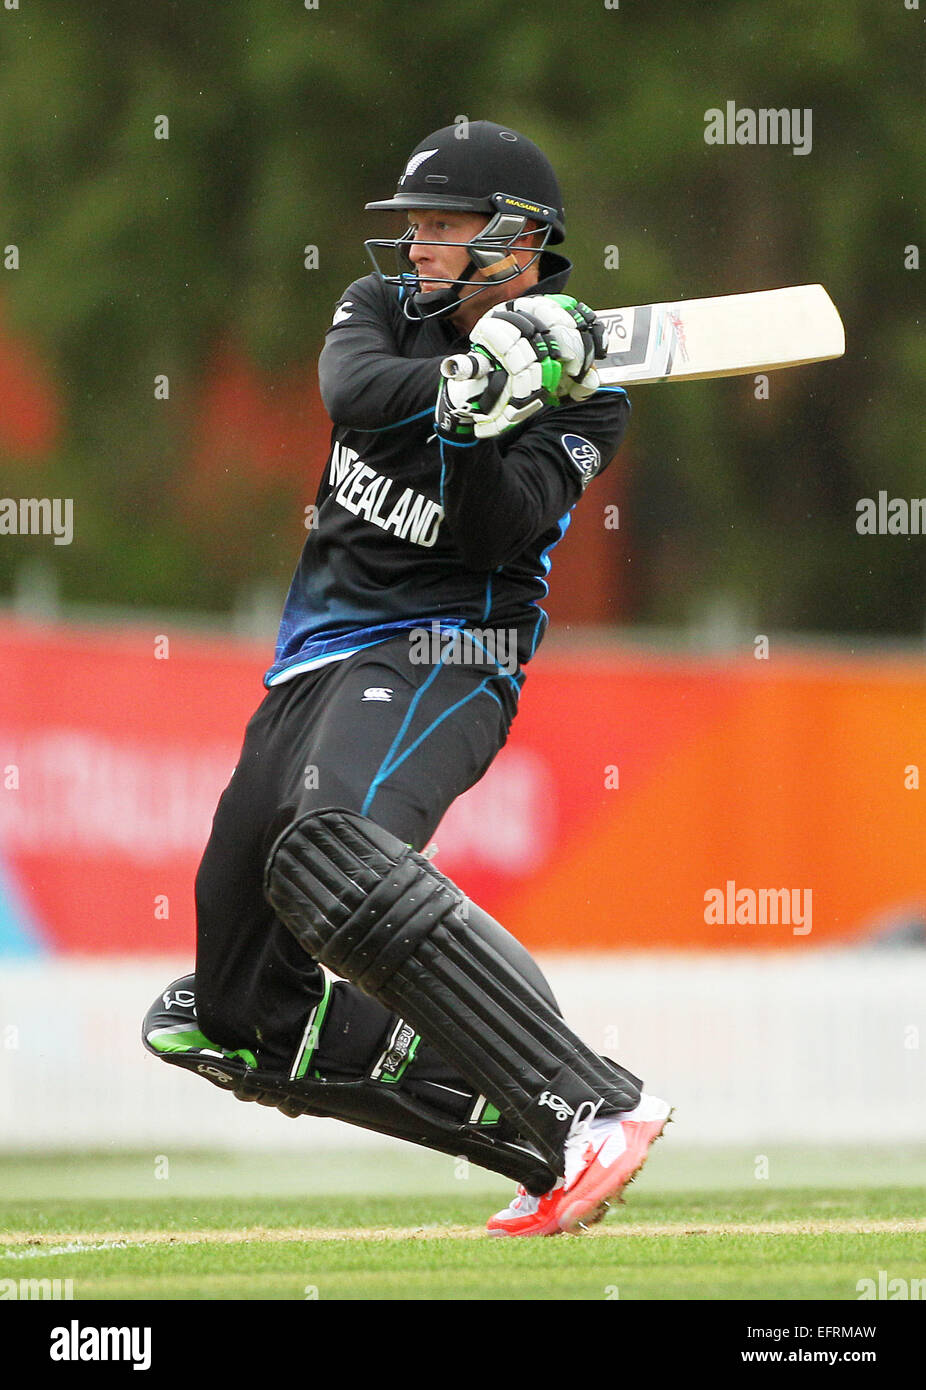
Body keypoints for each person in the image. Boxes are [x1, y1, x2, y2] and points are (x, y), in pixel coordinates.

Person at [143, 120, 670, 1237]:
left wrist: (491, 422)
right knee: (233, 1015)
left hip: (447, 652)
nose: (418, 245)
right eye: (413, 226)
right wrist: (466, 384)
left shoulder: (590, 400)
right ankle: (539, 1146)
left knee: (333, 849)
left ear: (515, 238)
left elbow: (497, 534)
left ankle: (592, 1104)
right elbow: (352, 388)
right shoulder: (381, 313)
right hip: (312, 663)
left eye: (442, 226)